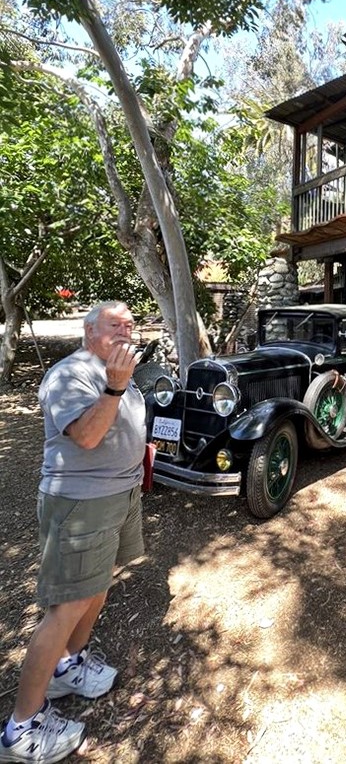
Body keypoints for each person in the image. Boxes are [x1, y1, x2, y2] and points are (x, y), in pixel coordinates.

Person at [0, 301, 146, 763]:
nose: (126, 330)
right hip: (81, 501)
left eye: (130, 324)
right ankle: (20, 729)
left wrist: (143, 447)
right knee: (65, 607)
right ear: (88, 332)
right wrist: (117, 387)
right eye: (113, 324)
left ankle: (69, 666)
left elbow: (118, 425)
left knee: (96, 588)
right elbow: (85, 436)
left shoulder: (113, 370)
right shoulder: (71, 374)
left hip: (118, 495)